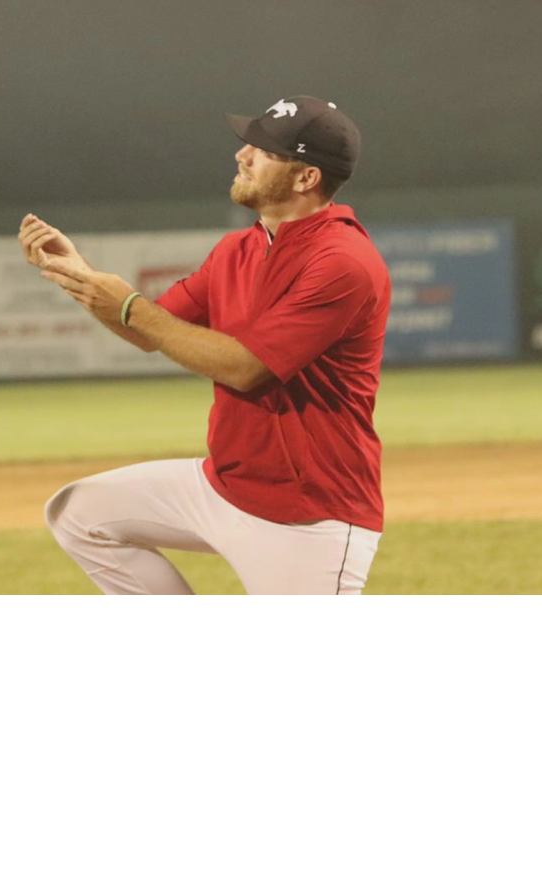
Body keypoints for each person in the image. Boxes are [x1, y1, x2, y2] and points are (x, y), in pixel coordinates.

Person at [22, 96, 391, 595]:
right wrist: (80, 275)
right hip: (224, 486)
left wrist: (129, 305)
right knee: (79, 514)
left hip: (309, 514)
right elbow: (148, 330)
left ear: (307, 177)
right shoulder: (238, 249)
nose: (243, 155)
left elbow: (246, 368)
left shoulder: (343, 261)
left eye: (264, 151)